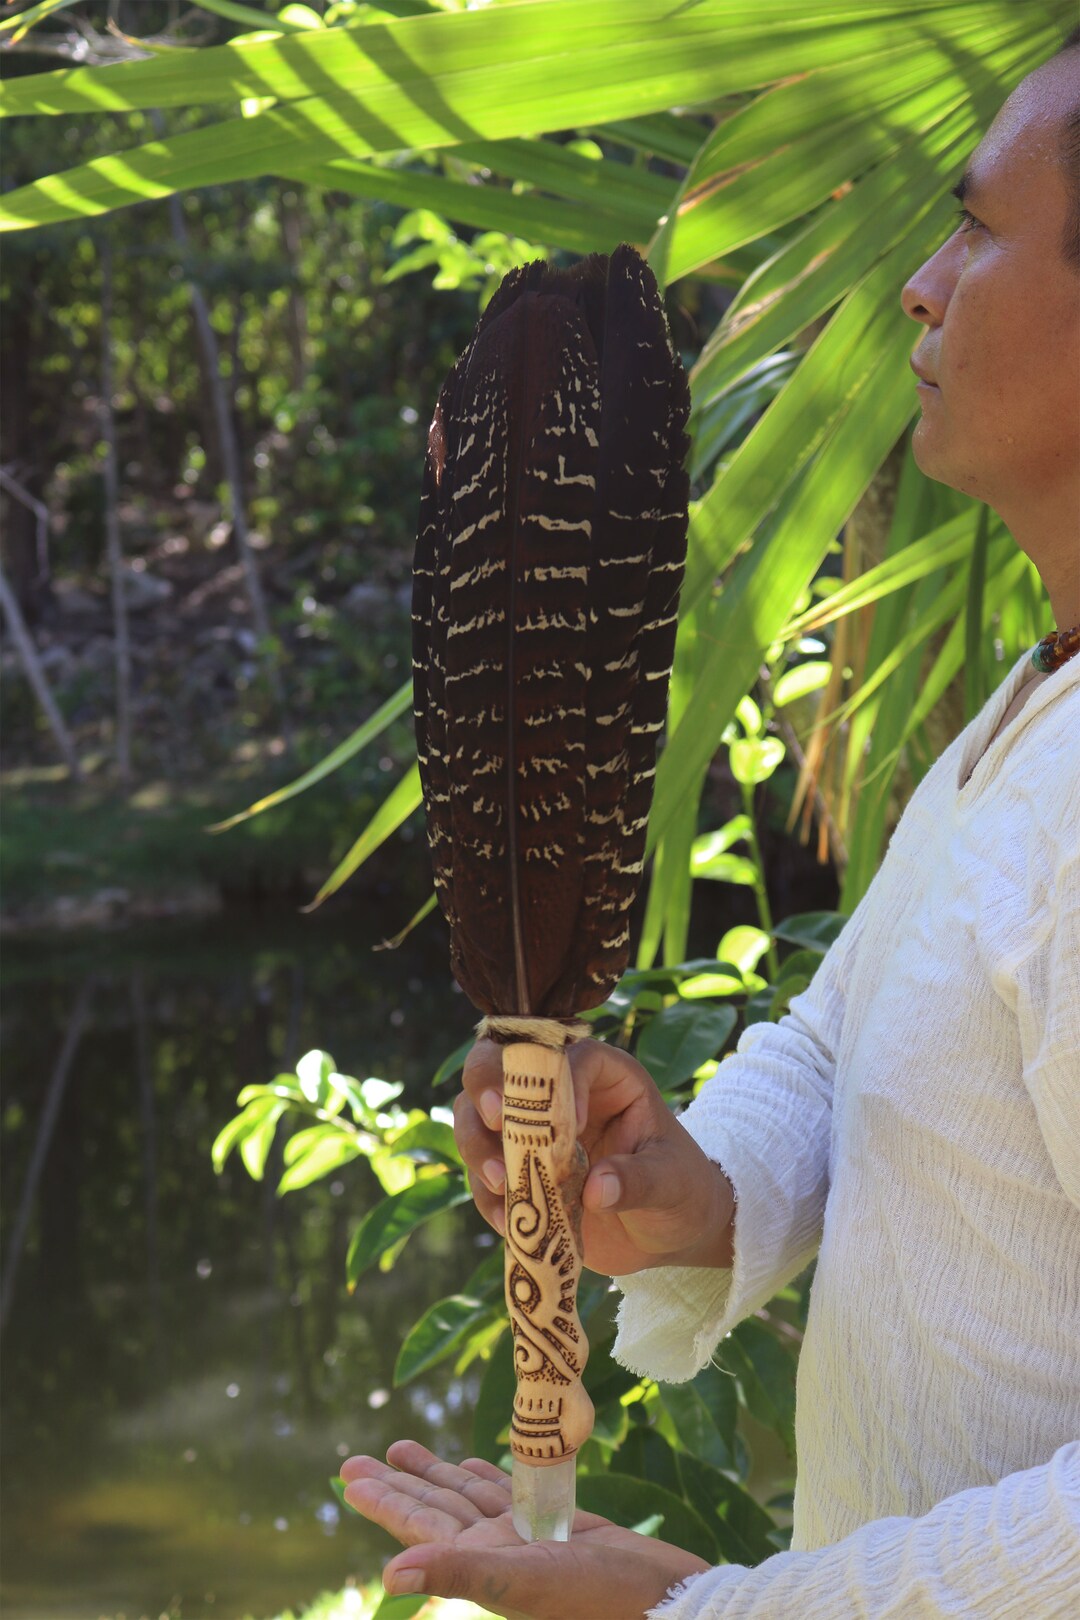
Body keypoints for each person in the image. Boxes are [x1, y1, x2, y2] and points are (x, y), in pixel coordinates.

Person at [341, 31, 1080, 1619]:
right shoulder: (1038, 705)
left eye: (977, 228)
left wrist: (713, 1611)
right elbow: (840, 1055)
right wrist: (685, 1181)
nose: (920, 283)